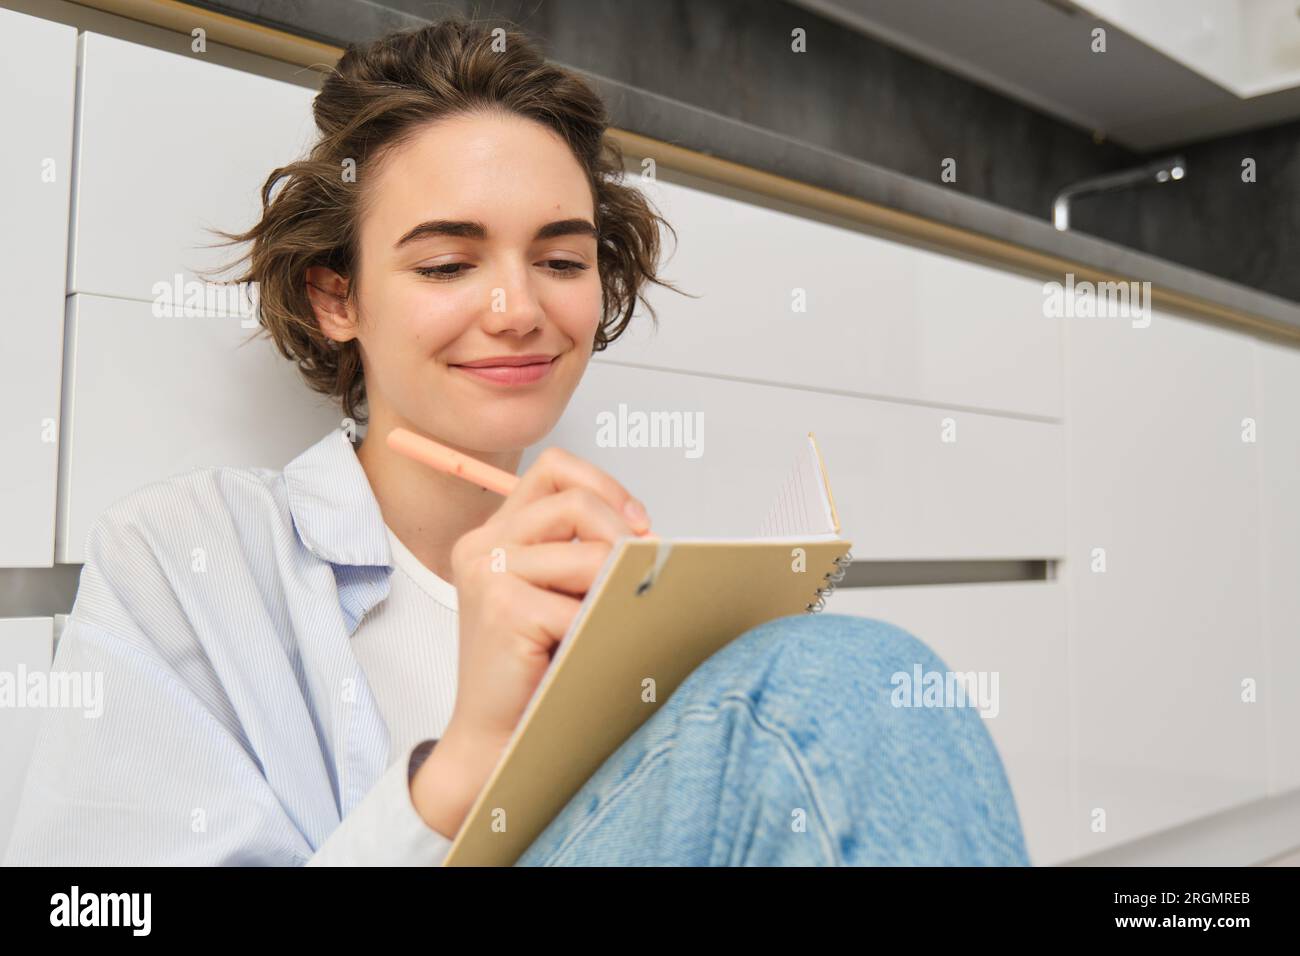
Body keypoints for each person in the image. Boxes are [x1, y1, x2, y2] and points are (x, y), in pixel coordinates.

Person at [3, 16, 1029, 867]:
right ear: (337, 294)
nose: (516, 308)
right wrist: (463, 766)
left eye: (561, 259)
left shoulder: (614, 578)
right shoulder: (185, 557)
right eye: (448, 263)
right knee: (838, 679)